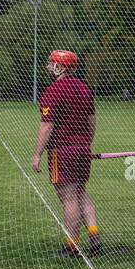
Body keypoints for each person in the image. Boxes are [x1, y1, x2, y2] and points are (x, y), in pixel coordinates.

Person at [32, 49, 101, 257]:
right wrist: (84, 145)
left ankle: (71, 246)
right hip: (82, 150)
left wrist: (37, 154)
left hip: (62, 152)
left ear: (60, 67)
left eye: (50, 63)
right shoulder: (85, 89)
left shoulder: (53, 92)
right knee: (82, 193)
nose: (47, 67)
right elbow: (92, 123)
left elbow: (46, 127)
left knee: (69, 198)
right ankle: (95, 238)